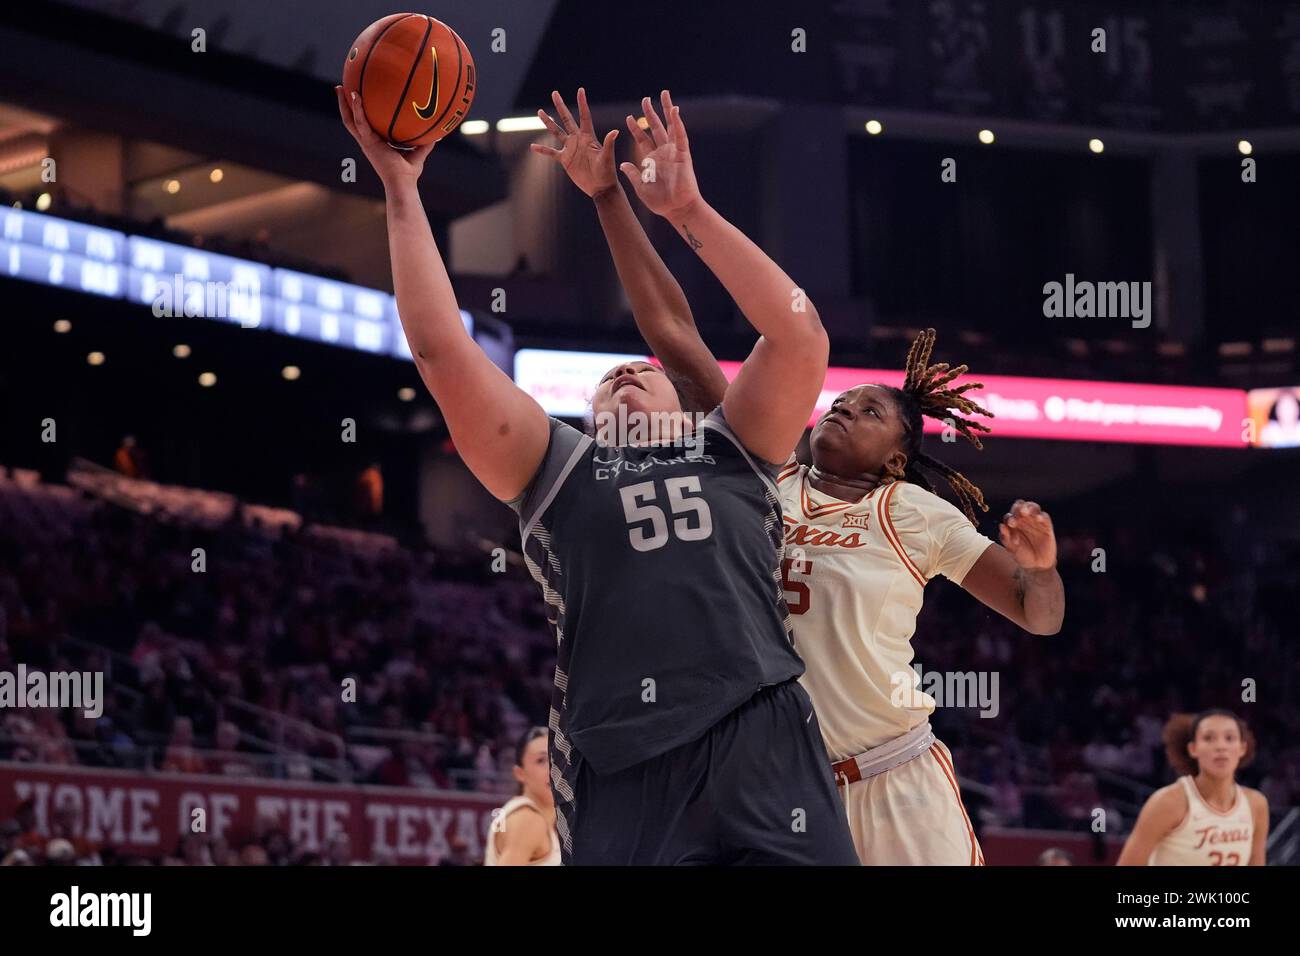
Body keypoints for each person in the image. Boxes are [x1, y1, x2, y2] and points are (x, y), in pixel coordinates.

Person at [338, 84, 856, 865]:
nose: (620, 372)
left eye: (637, 369)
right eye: (605, 379)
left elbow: (799, 334)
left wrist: (687, 212)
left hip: (762, 730)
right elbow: (443, 354)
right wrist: (403, 191)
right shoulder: (558, 469)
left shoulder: (735, 445)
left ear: (684, 403)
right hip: (619, 754)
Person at [552, 90, 1066, 865]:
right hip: (778, 786)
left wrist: (1045, 569)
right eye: (841, 401)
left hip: (892, 779)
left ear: (897, 453)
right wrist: (608, 200)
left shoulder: (911, 511)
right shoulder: (756, 473)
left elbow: (1037, 614)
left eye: (867, 412)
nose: (841, 411)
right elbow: (673, 333)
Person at [1117, 710, 1268, 865]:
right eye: (1209, 738)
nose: (1221, 746)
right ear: (1193, 749)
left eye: (1229, 738)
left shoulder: (1256, 805)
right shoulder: (1167, 802)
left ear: (1242, 748)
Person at [484, 727, 560, 866]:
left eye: (558, 758)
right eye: (541, 760)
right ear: (520, 773)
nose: (552, 768)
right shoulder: (528, 819)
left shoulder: (528, 816)